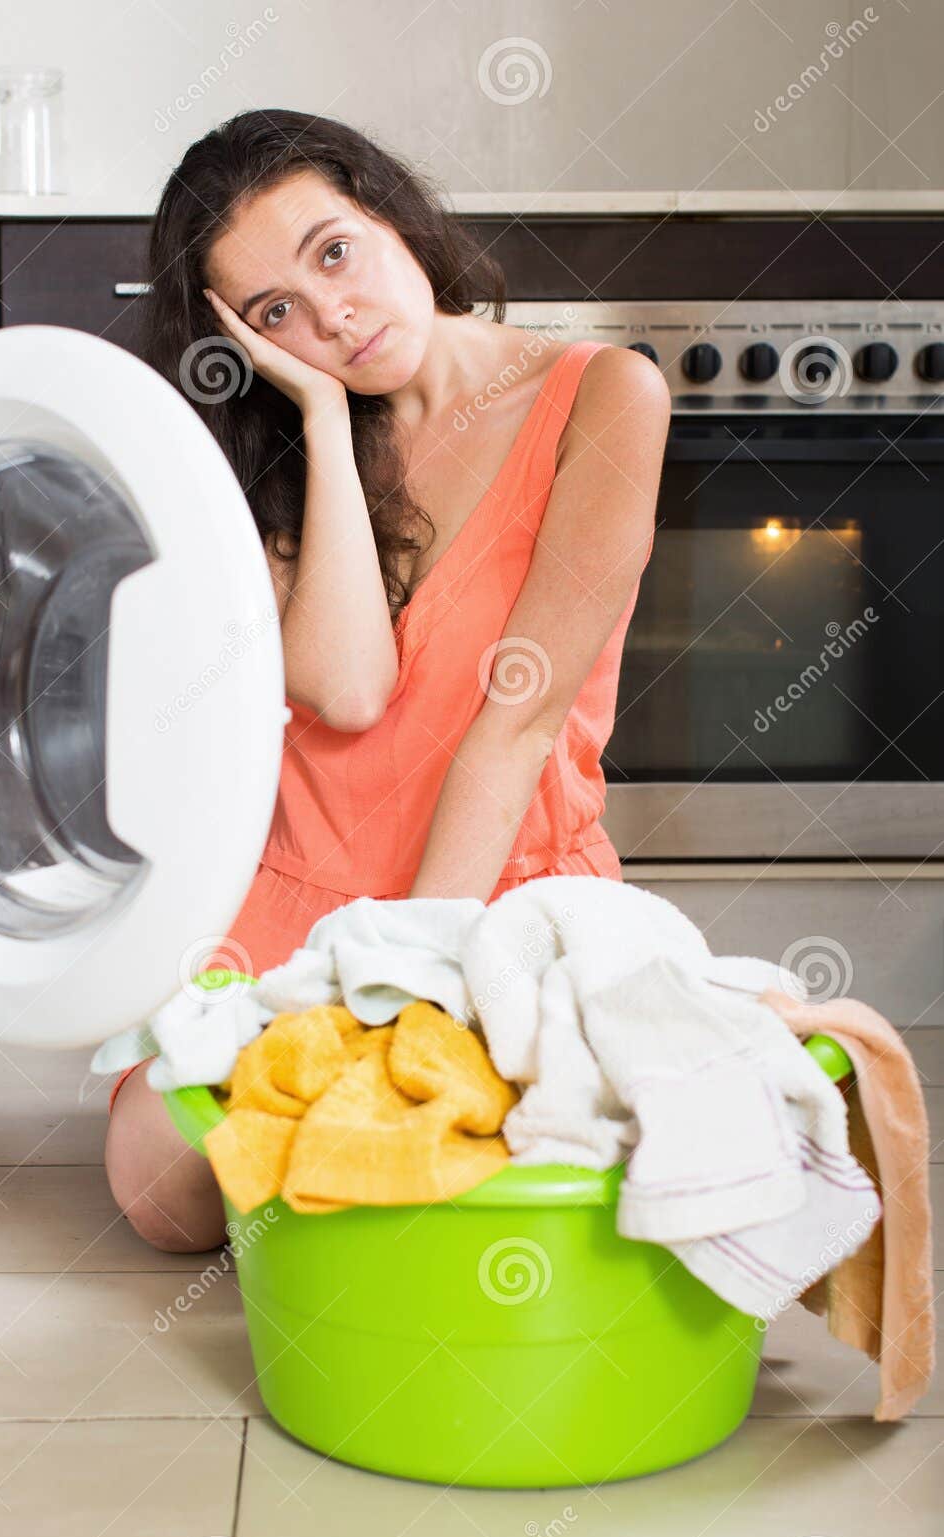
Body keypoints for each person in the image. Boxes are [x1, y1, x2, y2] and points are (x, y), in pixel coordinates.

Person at [104, 109, 671, 1253]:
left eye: (334, 252)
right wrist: (320, 417)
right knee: (165, 1200)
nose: (332, 317)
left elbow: (516, 728)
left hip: (491, 891)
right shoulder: (270, 443)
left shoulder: (604, 393)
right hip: (299, 890)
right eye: (276, 312)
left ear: (390, 213)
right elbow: (349, 691)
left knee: (443, 1177)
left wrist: (414, 980)